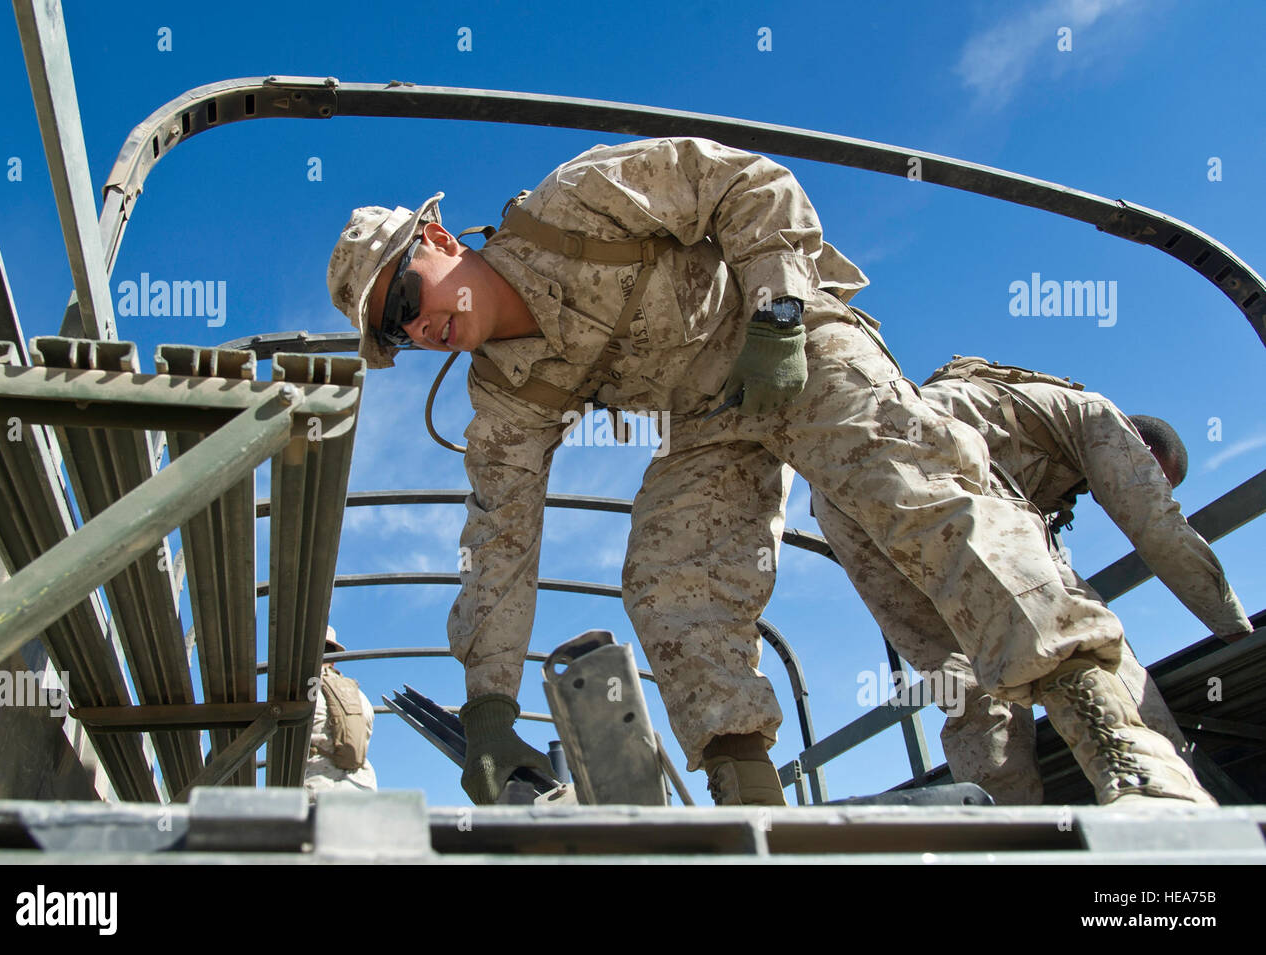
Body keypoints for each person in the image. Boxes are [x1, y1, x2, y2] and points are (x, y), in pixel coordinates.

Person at [326, 137, 1213, 808]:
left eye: (406, 300)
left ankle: (1123, 747)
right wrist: (488, 708)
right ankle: (755, 817)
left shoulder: (576, 204)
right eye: (394, 334)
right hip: (709, 422)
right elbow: (501, 542)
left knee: (915, 491)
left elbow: (750, 182)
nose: (416, 329)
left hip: (789, 345)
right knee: (669, 584)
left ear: (436, 238)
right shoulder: (508, 393)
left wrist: (779, 312)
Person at [813, 358, 1252, 802]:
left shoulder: (1020, 421)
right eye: (1160, 478)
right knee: (1084, 637)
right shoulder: (1099, 416)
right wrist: (1233, 625)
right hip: (930, 454)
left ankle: (1001, 833)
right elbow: (1157, 526)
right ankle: (1164, 796)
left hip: (842, 492)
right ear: (1146, 451)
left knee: (968, 686)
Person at [304, 627, 377, 800]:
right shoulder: (359, 694)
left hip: (318, 787)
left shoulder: (304, 689)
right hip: (361, 787)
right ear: (334, 660)